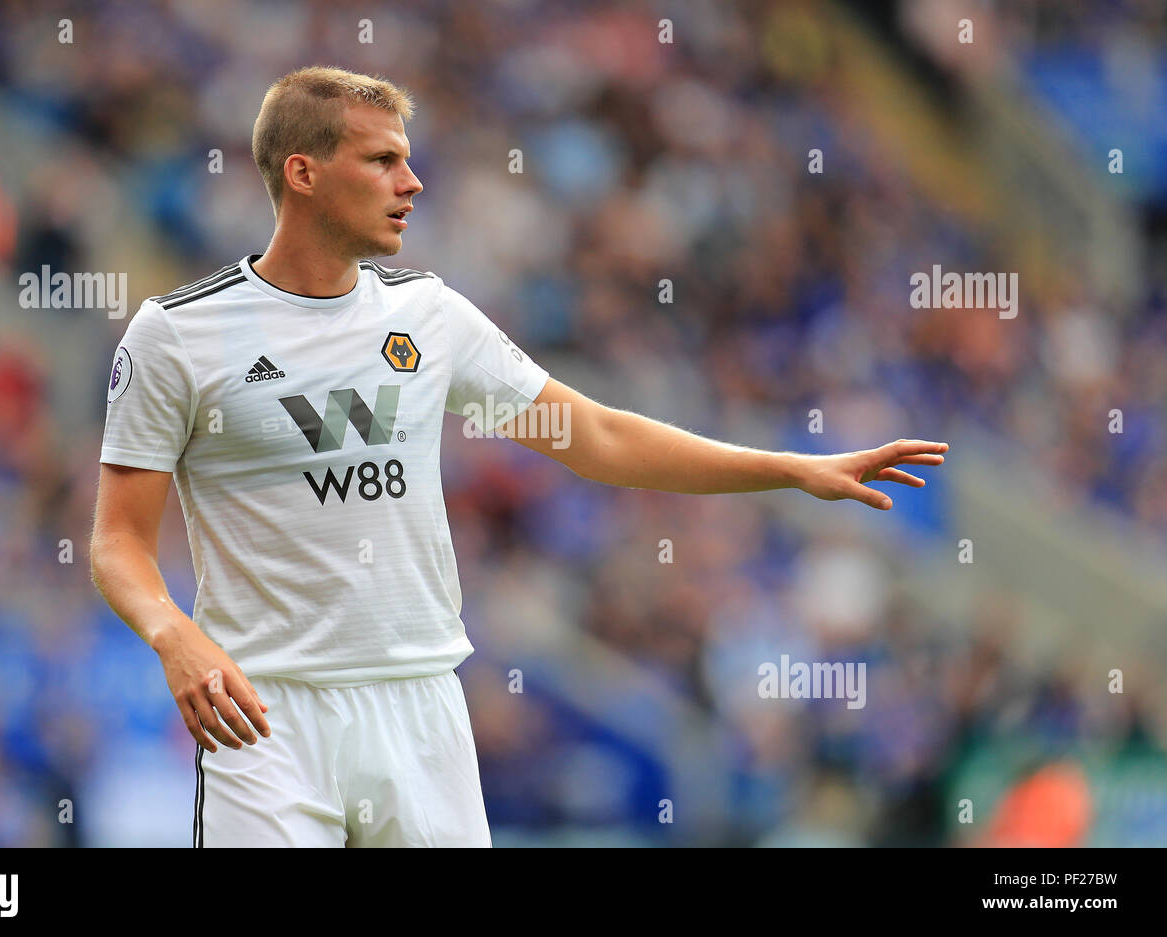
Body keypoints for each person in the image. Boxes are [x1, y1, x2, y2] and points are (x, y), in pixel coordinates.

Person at [89, 66, 949, 848]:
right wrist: (173, 634)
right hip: (265, 714)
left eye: (409, 159)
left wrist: (790, 468)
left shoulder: (428, 316)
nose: (412, 182)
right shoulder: (179, 336)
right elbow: (116, 540)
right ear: (303, 173)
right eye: (383, 160)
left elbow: (599, 436)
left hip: (421, 704)